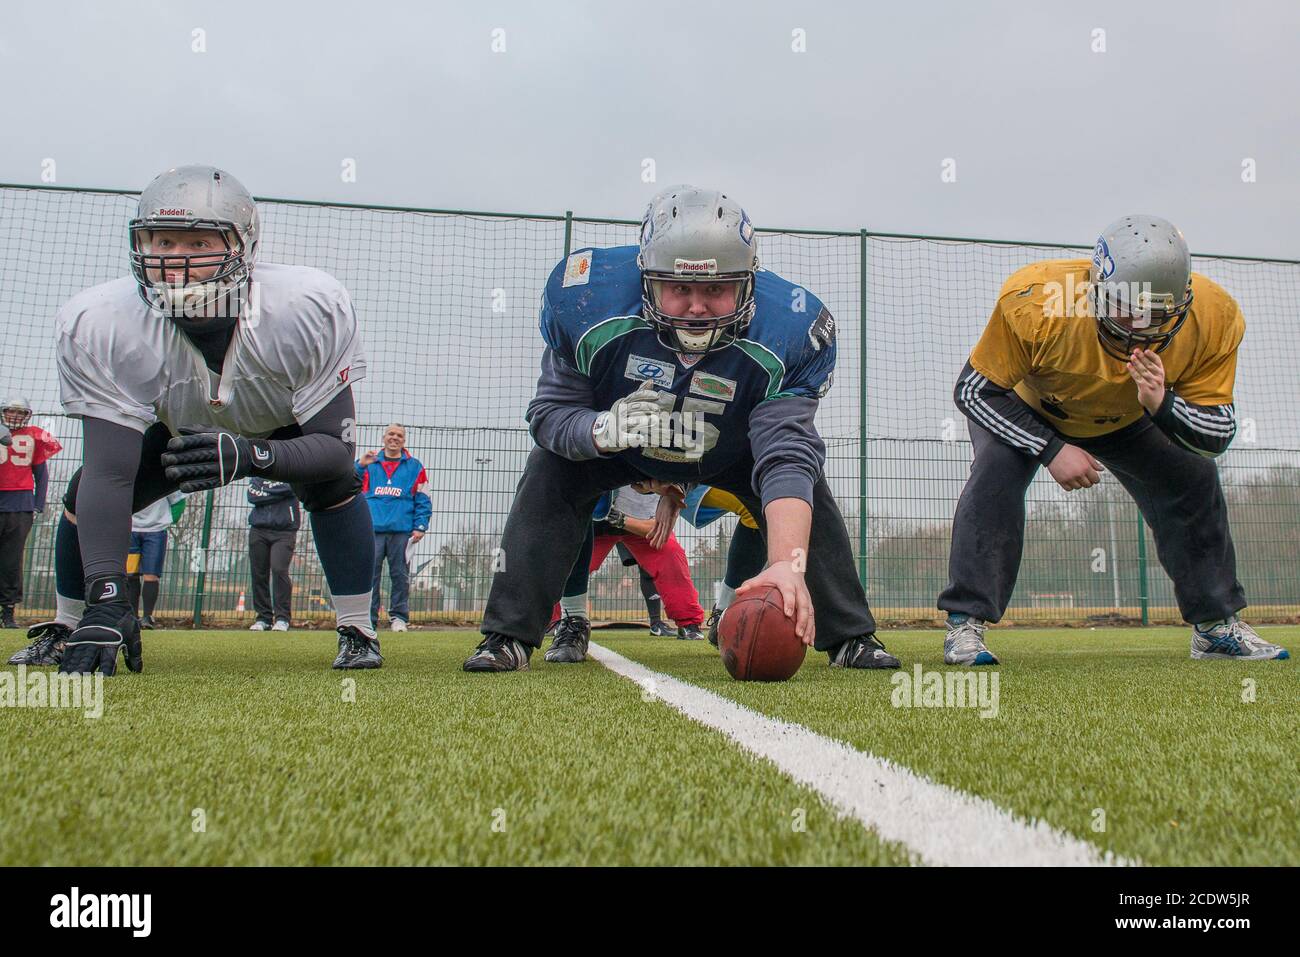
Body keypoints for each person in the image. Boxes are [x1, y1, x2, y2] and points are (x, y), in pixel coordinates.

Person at [463, 185, 899, 672]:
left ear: (747, 283)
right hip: (623, 445)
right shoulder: (588, 303)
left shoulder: (788, 330)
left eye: (716, 289)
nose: (697, 306)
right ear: (646, 280)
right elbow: (549, 415)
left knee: (803, 486)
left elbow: (786, 454)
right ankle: (509, 634)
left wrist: (784, 565)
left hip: (732, 448)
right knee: (552, 473)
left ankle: (850, 634)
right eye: (680, 288)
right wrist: (602, 430)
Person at [9, 164, 382, 674]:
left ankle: (358, 628)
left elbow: (334, 447)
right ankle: (73, 621)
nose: (175, 261)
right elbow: (109, 474)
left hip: (278, 424)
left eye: (196, 242)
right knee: (83, 492)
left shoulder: (305, 306)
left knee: (335, 482)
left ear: (243, 245)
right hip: (177, 427)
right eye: (162, 242)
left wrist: (253, 456)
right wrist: (109, 595)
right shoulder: (99, 321)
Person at [939, 214, 1289, 664]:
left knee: (1192, 475)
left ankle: (1216, 627)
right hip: (1032, 406)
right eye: (1127, 306)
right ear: (1097, 288)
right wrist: (1051, 448)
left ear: (1184, 300)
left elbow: (1216, 433)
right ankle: (965, 624)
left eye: (1158, 311)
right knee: (995, 475)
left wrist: (1164, 405)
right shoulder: (1037, 301)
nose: (1140, 326)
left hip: (1130, 413)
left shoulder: (1215, 316)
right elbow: (972, 390)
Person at [545, 485, 705, 661]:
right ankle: (549, 620)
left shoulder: (661, 478)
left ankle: (689, 623)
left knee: (671, 555)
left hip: (639, 524)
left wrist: (620, 519)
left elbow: (656, 528)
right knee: (565, 562)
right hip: (594, 527)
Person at [357, 423, 431, 631]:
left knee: (400, 576)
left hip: (402, 531)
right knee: (370, 576)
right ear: (384, 437)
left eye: (399, 435)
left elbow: (423, 498)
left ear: (404, 440)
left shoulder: (415, 466)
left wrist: (421, 525)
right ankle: (368, 619)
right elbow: (351, 483)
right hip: (372, 530)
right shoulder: (369, 463)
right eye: (391, 434)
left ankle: (398, 617)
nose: (394, 438)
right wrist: (359, 465)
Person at [0, 397, 61, 630]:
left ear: (26, 415)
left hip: (20, 504)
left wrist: (38, 504)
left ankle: (7, 611)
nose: (14, 416)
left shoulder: (34, 435)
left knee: (11, 561)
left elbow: (41, 473)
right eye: (10, 412)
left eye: (19, 412)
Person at [125, 491, 185, 629]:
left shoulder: (163, 474)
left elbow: (179, 500)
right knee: (130, 574)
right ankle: (132, 616)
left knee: (151, 575)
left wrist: (170, 519)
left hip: (156, 531)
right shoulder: (130, 475)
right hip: (130, 529)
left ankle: (147, 617)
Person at [246, 477, 300, 632]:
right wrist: (279, 491)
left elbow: (293, 487)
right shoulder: (257, 476)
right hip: (258, 530)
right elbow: (252, 495)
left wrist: (266, 492)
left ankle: (282, 618)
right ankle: (264, 618)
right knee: (258, 574)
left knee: (279, 569)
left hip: (284, 531)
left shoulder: (290, 472)